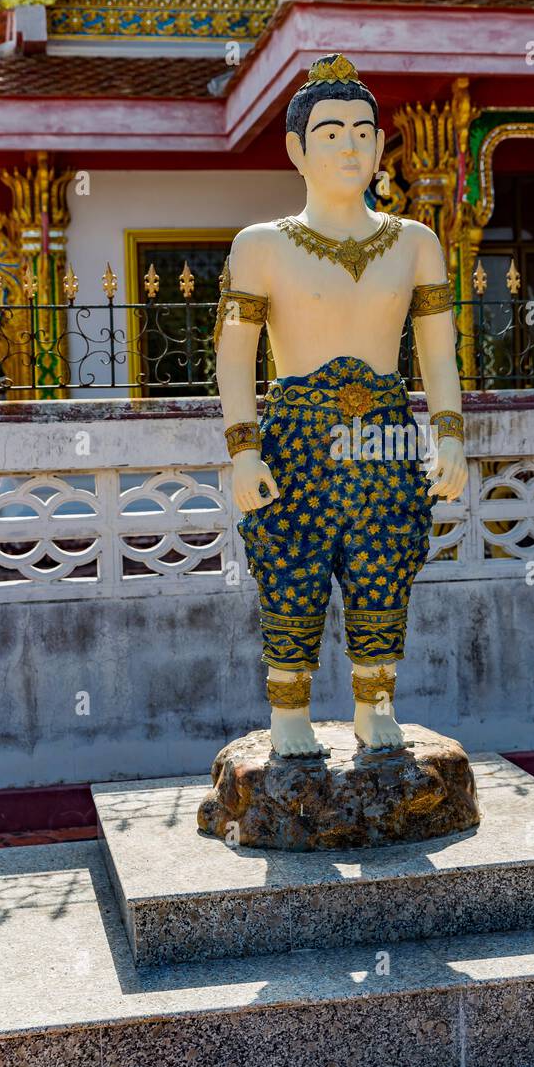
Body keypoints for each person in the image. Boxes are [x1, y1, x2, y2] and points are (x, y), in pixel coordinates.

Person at [215, 53, 468, 756]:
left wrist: (449, 436)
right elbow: (234, 356)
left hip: (386, 433)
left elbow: (438, 353)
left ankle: (373, 703)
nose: (350, 145)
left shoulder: (415, 244)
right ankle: (290, 715)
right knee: (290, 568)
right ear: (296, 149)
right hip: (296, 434)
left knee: (383, 564)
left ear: (383, 146)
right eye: (329, 133)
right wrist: (242, 451)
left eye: (363, 131)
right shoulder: (261, 246)